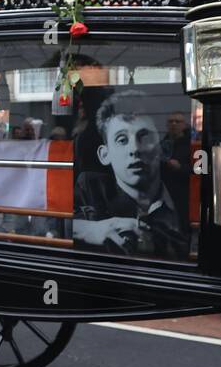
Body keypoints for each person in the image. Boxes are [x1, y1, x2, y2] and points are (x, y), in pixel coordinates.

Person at [73, 89, 190, 259]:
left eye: (144, 137)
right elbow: (58, 225)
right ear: (105, 155)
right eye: (122, 140)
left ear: (164, 149)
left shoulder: (182, 195)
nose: (134, 149)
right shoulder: (90, 187)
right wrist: (90, 230)